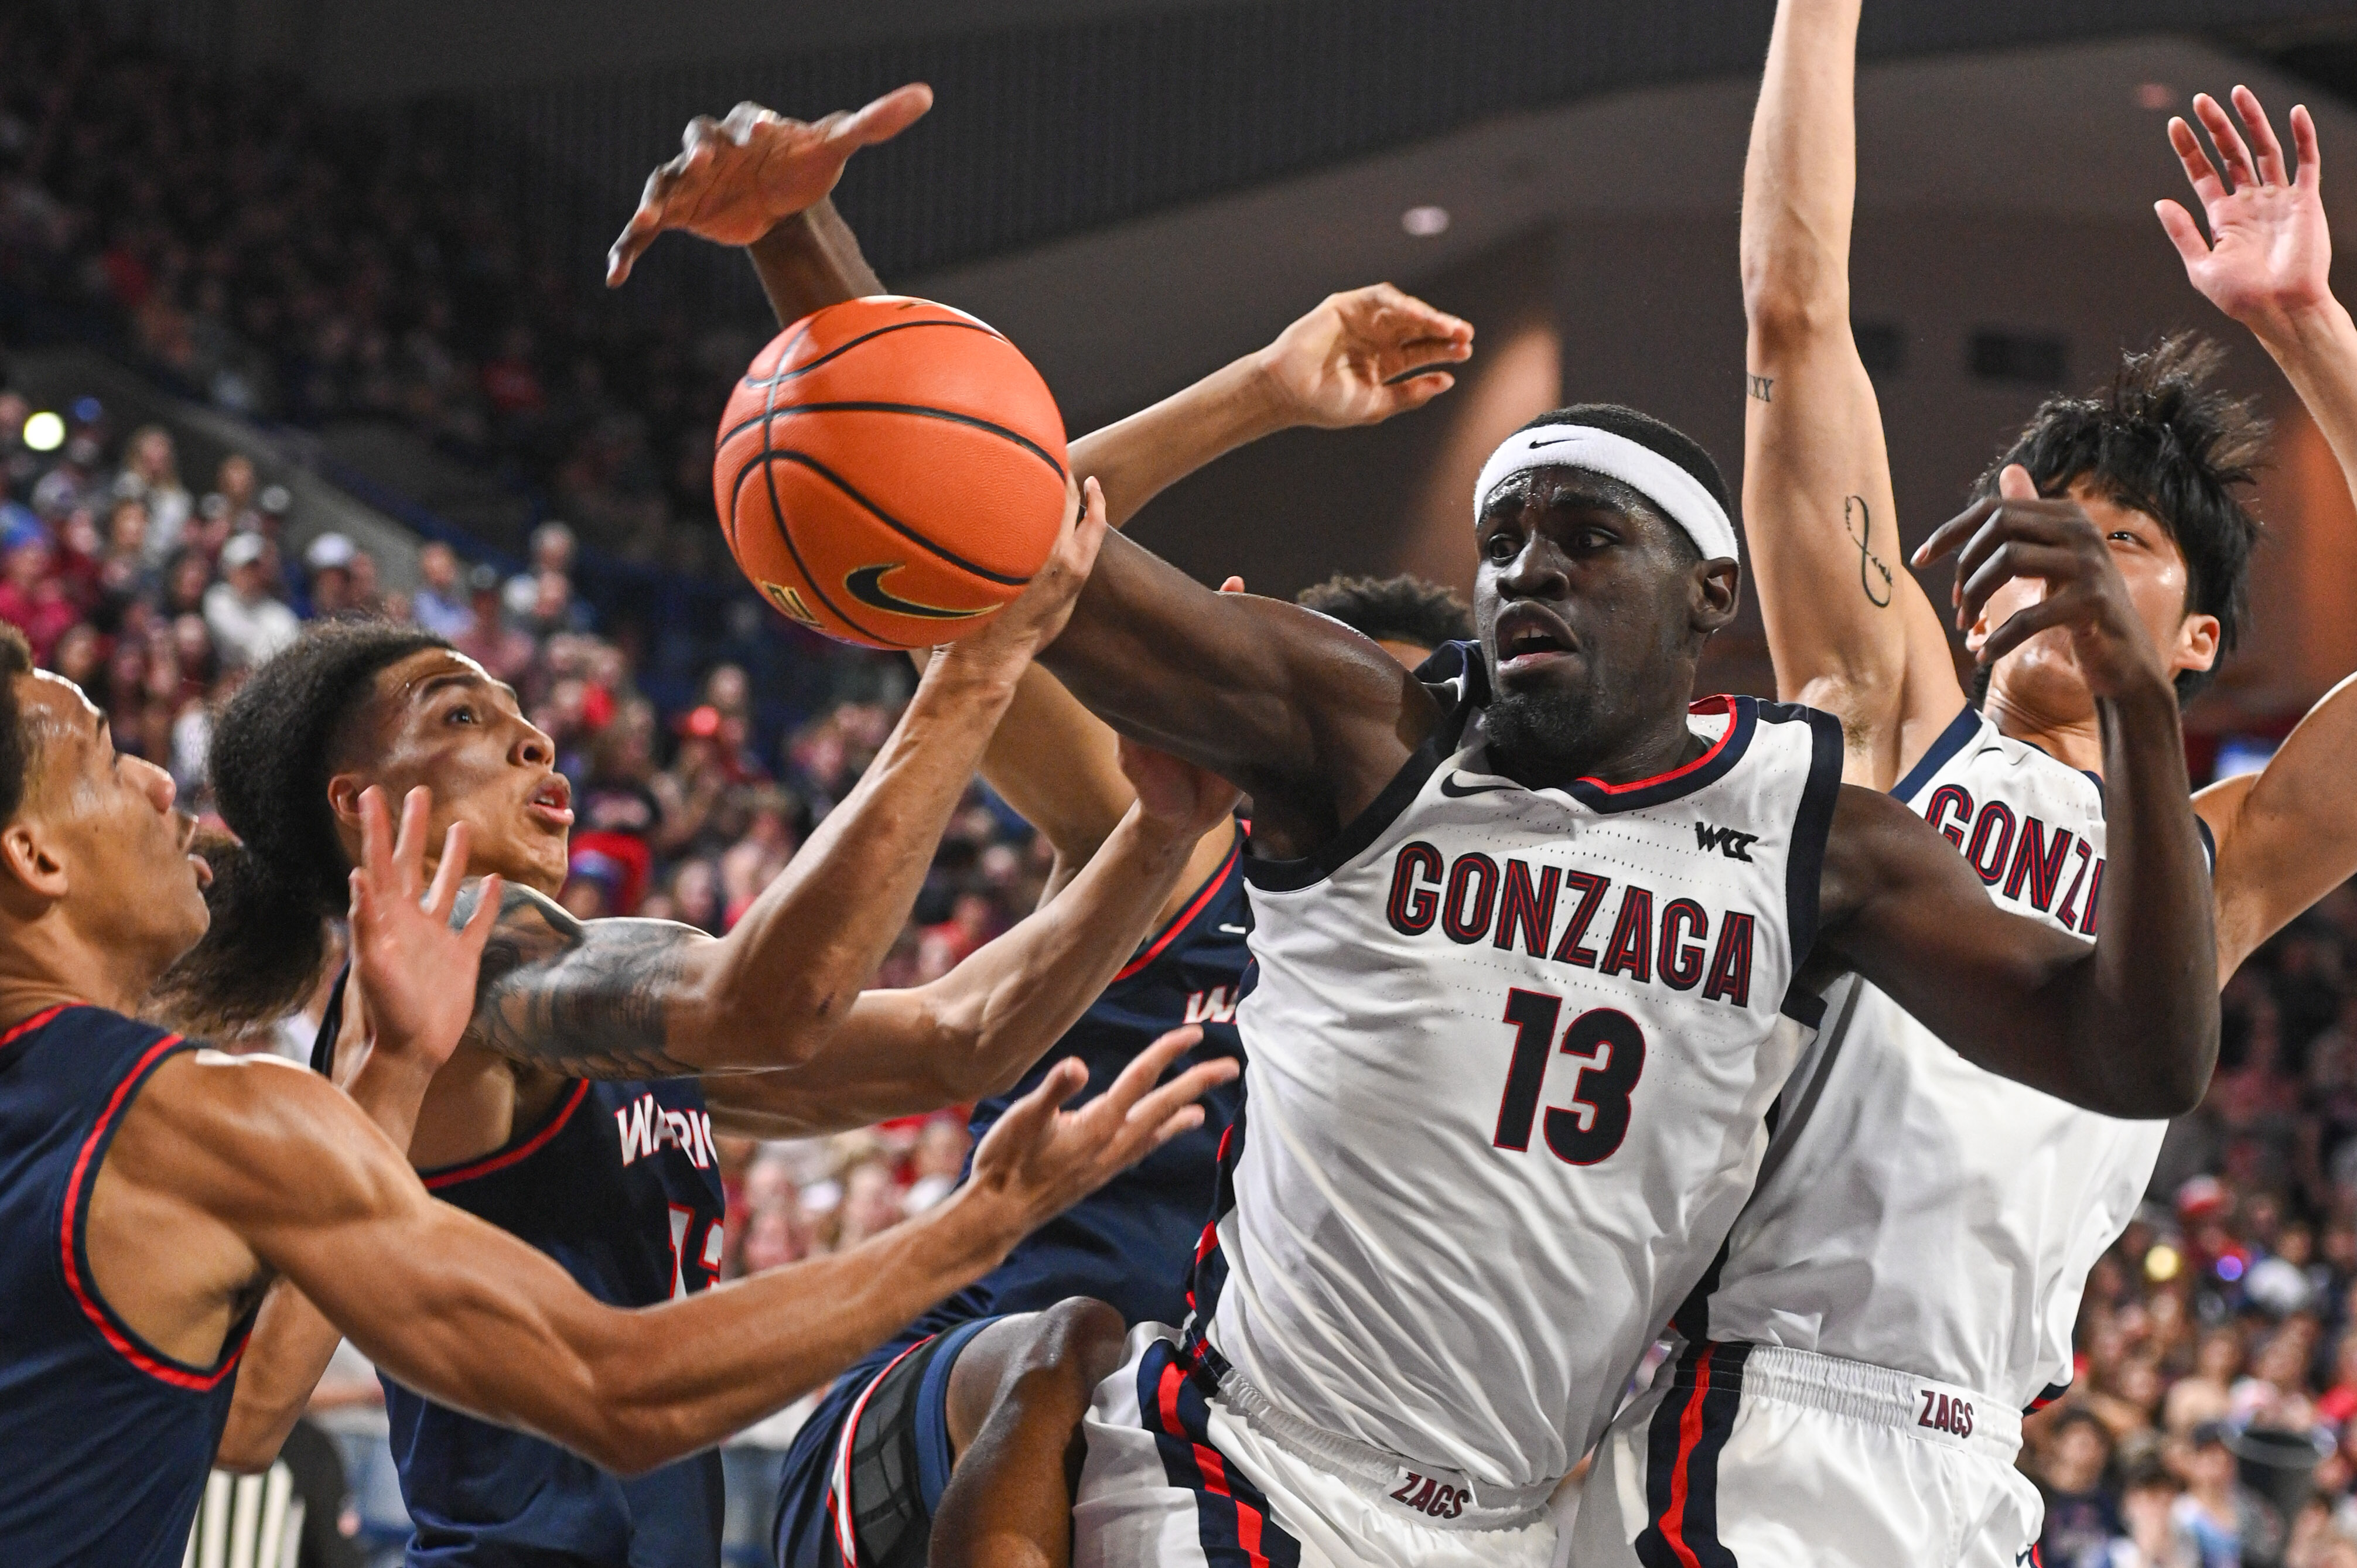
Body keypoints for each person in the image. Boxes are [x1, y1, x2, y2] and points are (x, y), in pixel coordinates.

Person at [750, 157, 2232, 1568]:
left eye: (1586, 537)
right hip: (1250, 1461)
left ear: (1710, 596)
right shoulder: (1363, 730)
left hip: (1513, 1526)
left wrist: (2141, 713)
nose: (1529, 565)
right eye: (1503, 534)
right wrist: (805, 251)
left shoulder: (1810, 832)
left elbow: (2136, 1050)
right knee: (1059, 1350)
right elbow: (1004, 535)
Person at [608, 97, 1481, 1568]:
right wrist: (796, 241)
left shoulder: (1487, 945)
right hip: (965, 1421)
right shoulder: (1182, 830)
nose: (1356, 764)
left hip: (1265, 1474)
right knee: (1077, 1350)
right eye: (1317, 716)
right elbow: (967, 538)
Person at [1573, 4, 2357, 1559]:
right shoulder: (1893, 721)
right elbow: (1795, 319)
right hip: (1760, 1415)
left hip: (1980, 1472)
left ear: (2196, 639)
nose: (2068, 558)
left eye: (2120, 541)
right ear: (1979, 585)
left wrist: (2308, 330)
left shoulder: (2216, 862)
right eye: (2044, 527)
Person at [164, 473, 1237, 1566]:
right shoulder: (490, 962)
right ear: (362, 804)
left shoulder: (577, 1003)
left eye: (520, 711)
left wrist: (1157, 835)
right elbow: (777, 999)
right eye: (461, 715)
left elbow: (962, 1036)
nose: (533, 738)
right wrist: (973, 675)